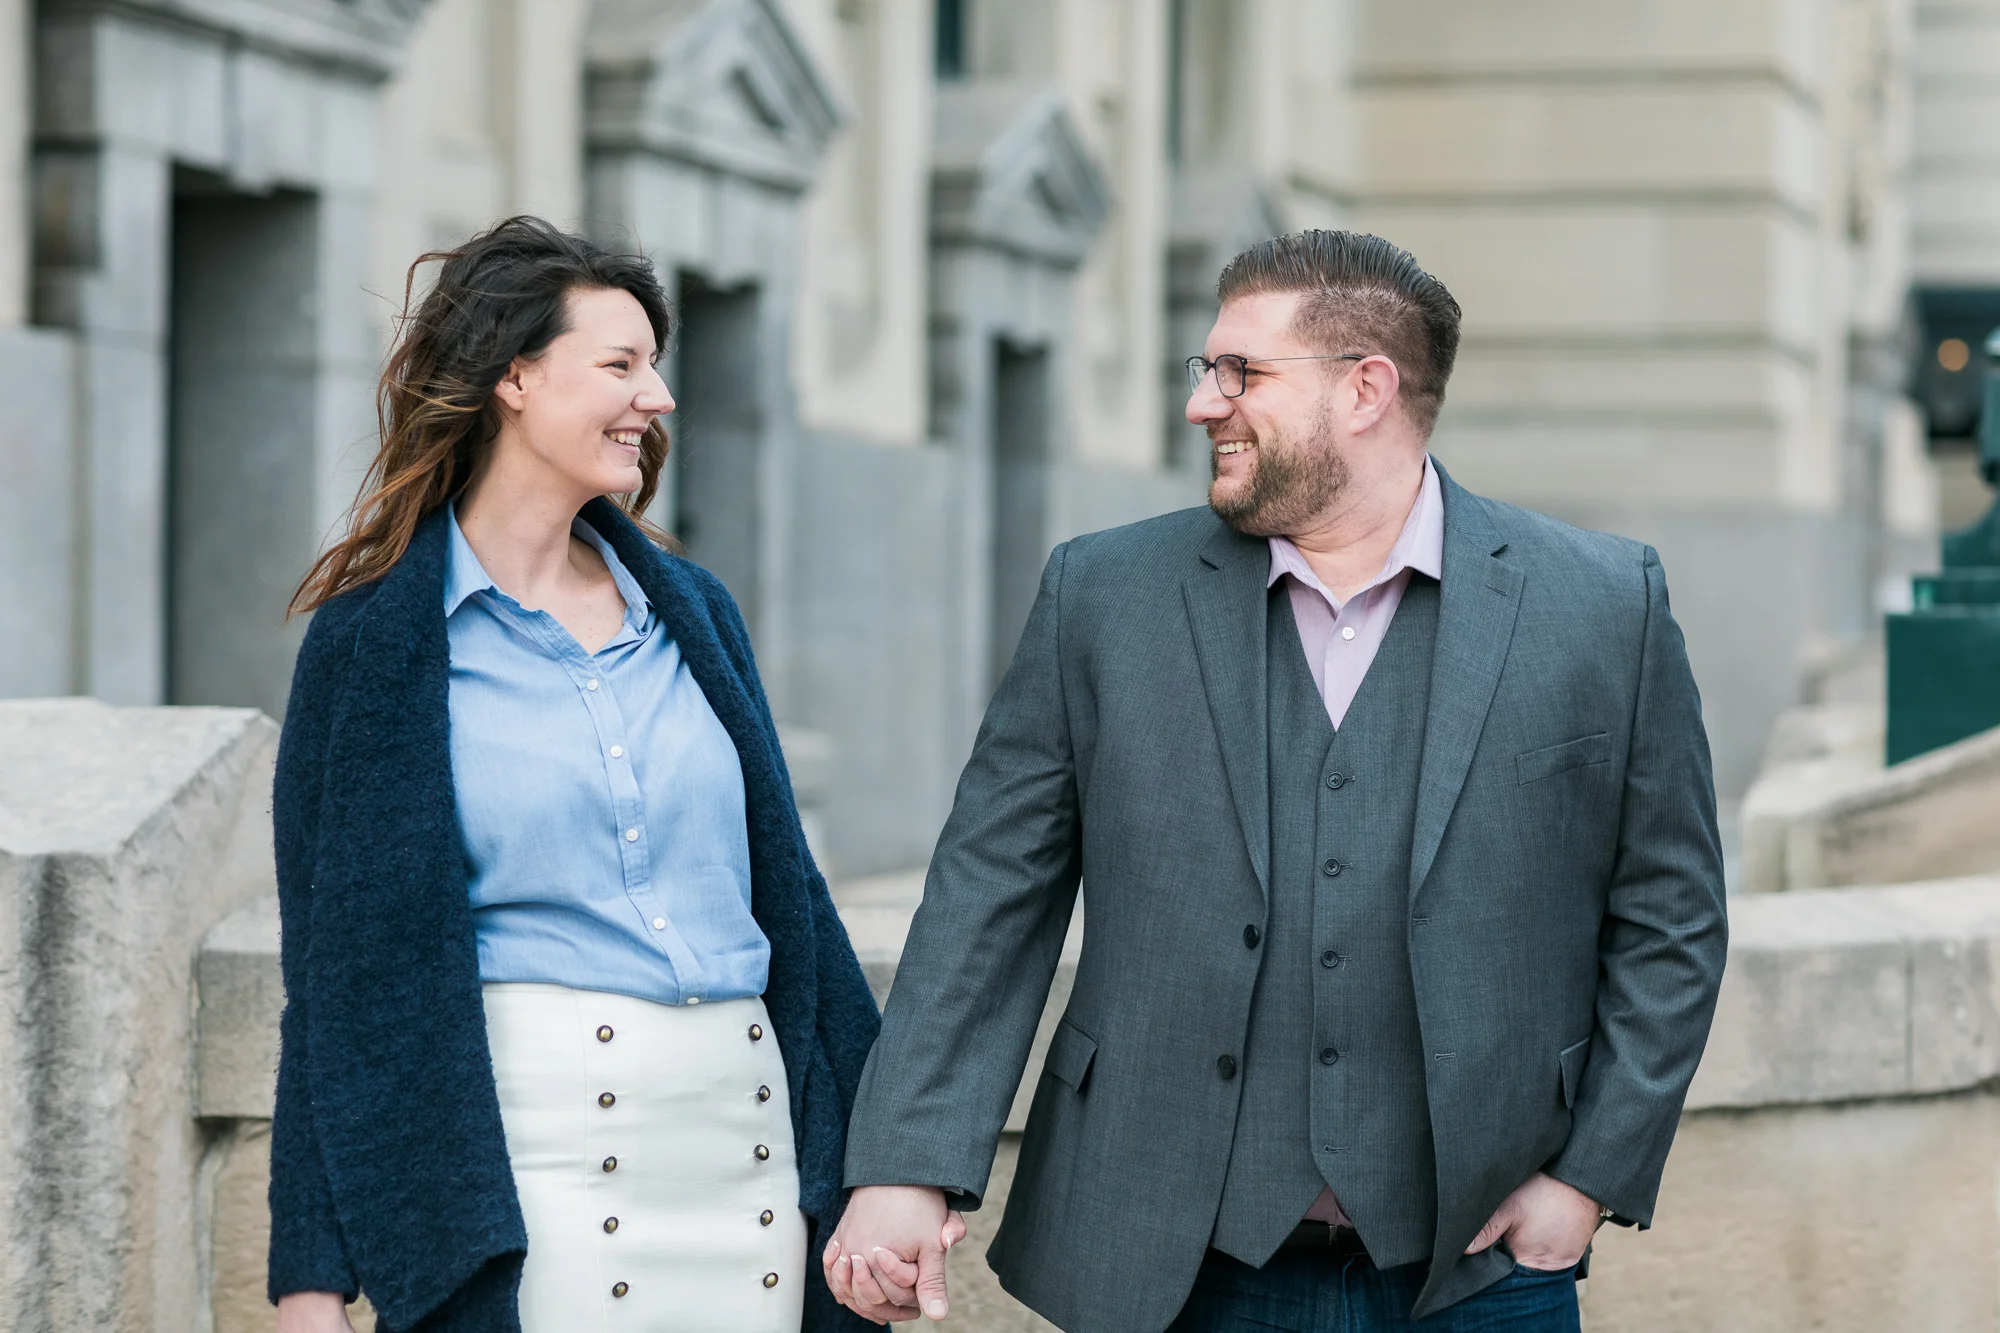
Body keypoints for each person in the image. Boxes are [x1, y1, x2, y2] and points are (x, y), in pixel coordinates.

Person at [825, 230, 1729, 1331]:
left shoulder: (1601, 603)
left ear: (1365, 390)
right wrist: (905, 1164)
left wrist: (1586, 1179)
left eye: (1238, 371)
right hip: (1174, 1265)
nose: (1202, 403)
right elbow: (988, 896)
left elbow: (1671, 919)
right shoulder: (1101, 595)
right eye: (1205, 369)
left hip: (1479, 1271)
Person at [268, 216, 879, 1333]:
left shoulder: (697, 614)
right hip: (528, 1180)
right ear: (514, 377)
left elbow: (795, 901)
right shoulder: (370, 646)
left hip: (748, 1164)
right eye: (620, 364)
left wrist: (889, 1160)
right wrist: (309, 1280)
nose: (657, 396)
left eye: (654, 364)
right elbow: (334, 978)